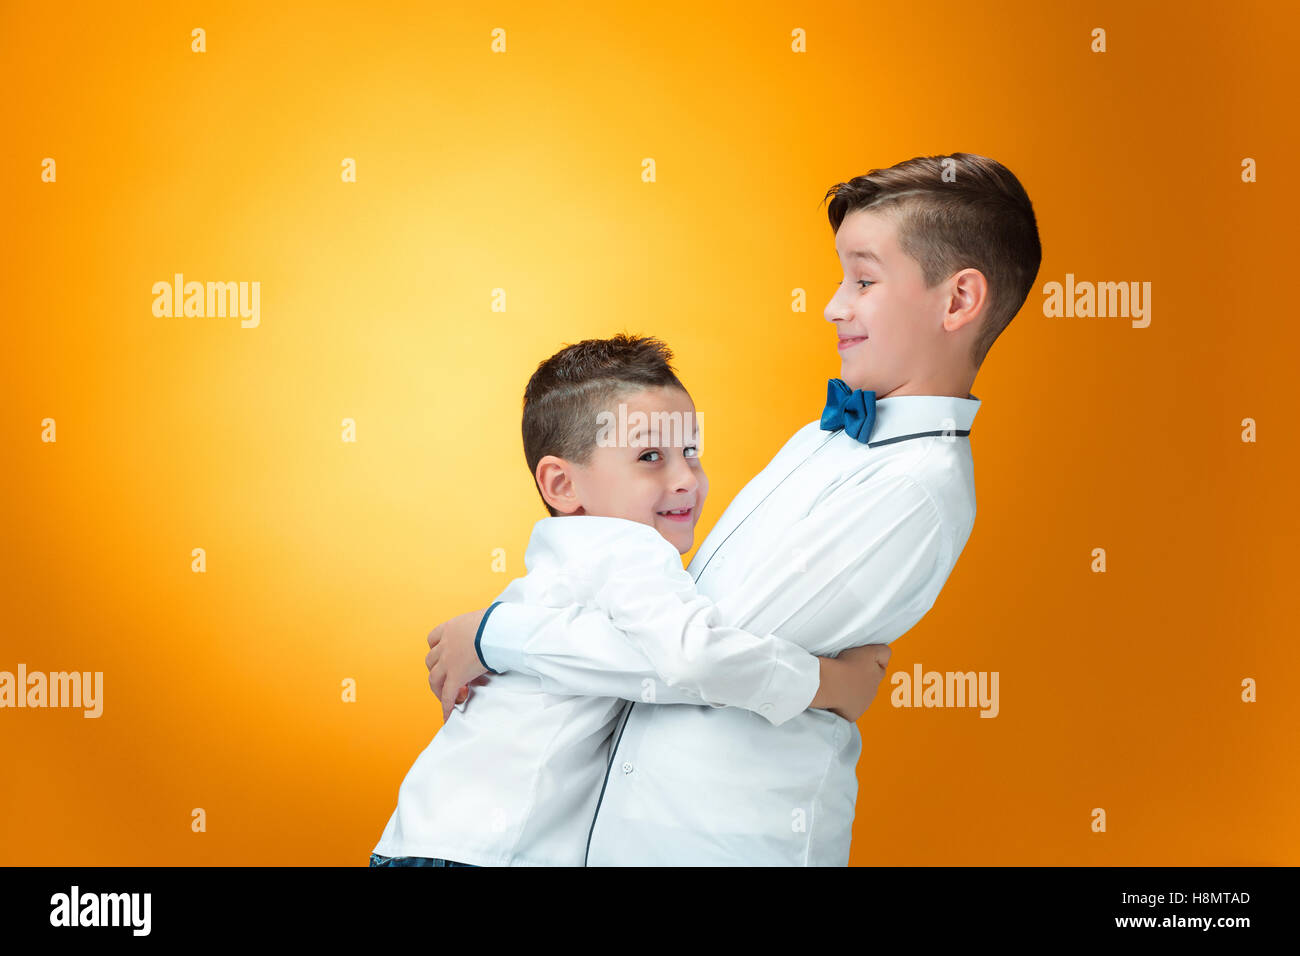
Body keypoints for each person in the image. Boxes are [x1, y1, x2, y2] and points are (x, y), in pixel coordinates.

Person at [428, 152, 1043, 865]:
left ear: (959, 301)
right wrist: (831, 683)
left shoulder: (912, 490)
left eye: (864, 280)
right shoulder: (823, 439)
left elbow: (688, 655)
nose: (833, 306)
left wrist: (497, 636)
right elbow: (676, 627)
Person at [372, 335, 889, 867]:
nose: (686, 479)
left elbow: (626, 663)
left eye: (691, 452)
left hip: (423, 838)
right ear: (562, 484)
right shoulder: (626, 550)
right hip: (485, 855)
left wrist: (489, 635)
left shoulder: (567, 558)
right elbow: (690, 662)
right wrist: (831, 684)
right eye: (650, 456)